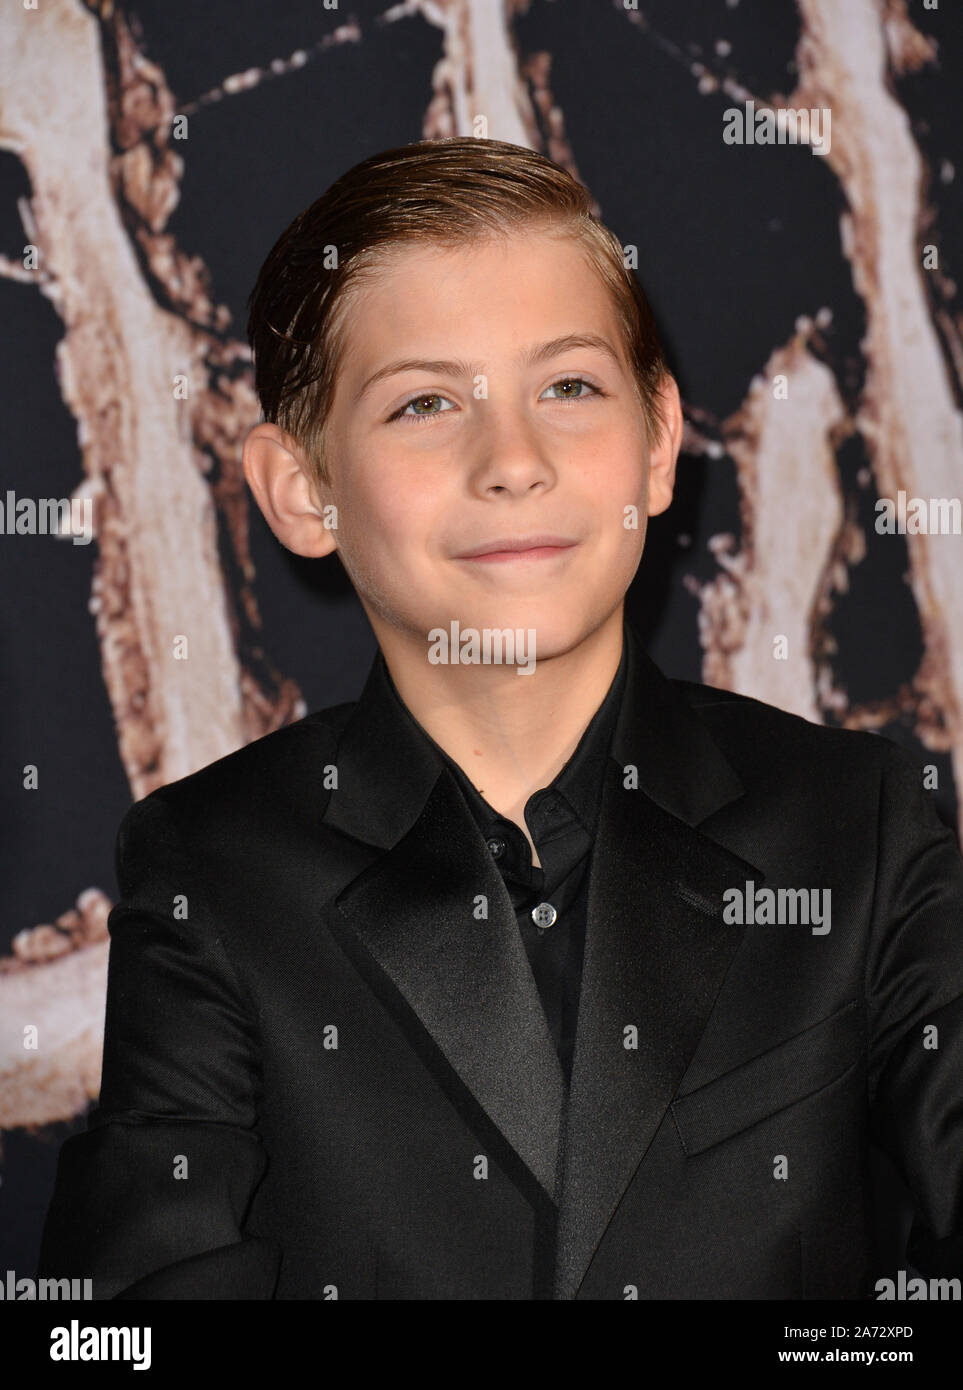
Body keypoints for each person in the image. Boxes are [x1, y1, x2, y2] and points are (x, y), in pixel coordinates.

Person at [38, 137, 963, 1300]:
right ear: (300, 491)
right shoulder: (212, 872)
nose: (513, 460)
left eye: (569, 386)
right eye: (426, 403)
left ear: (660, 441)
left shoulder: (861, 828)